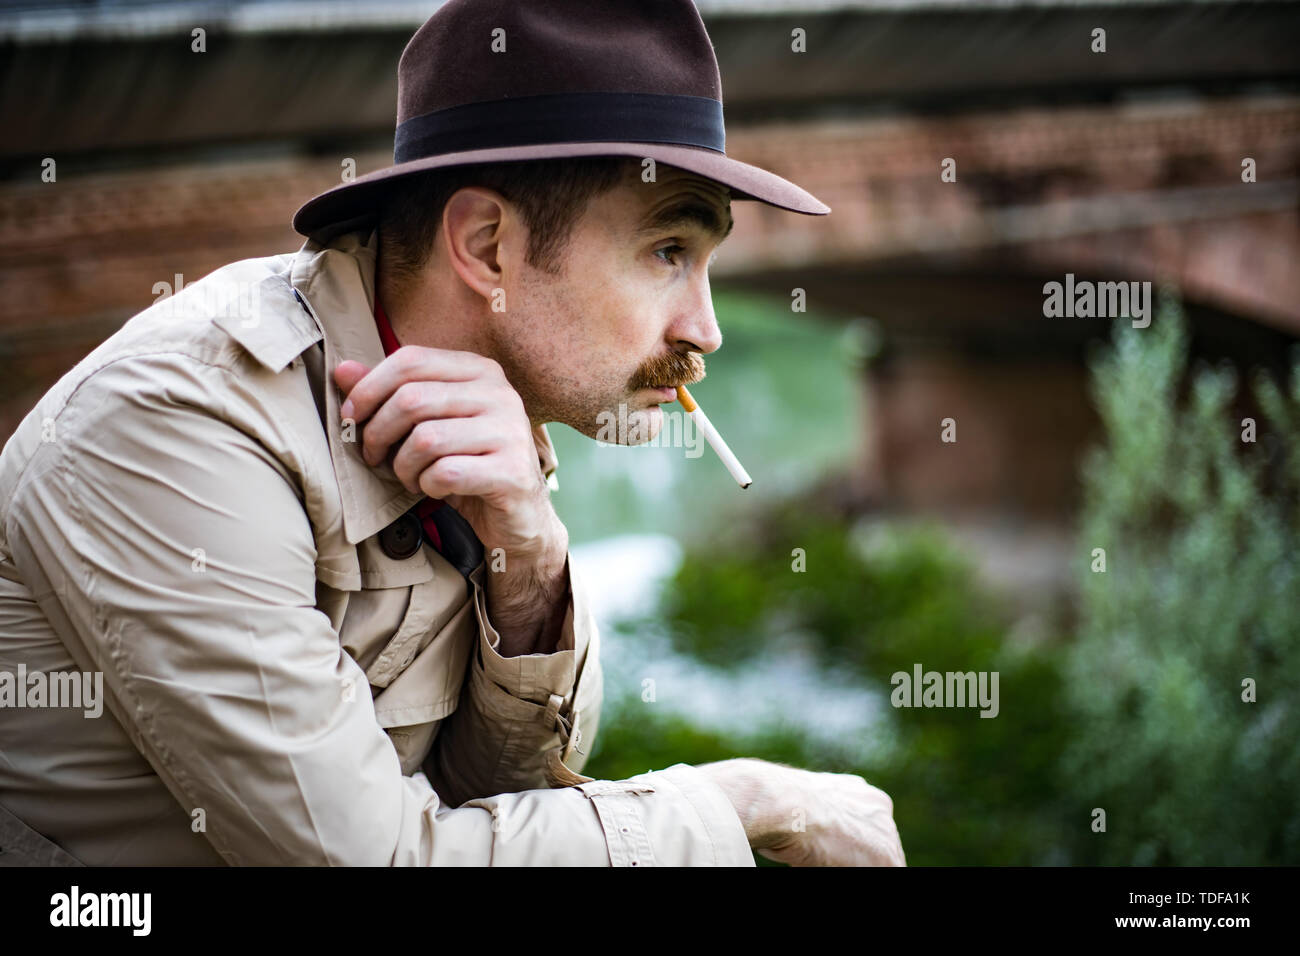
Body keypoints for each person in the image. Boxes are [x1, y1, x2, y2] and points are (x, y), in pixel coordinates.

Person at [0, 0, 904, 867]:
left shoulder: (486, 413)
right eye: (669, 252)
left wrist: (530, 562)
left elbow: (496, 798)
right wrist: (741, 804)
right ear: (484, 246)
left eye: (707, 265)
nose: (705, 330)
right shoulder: (184, 427)